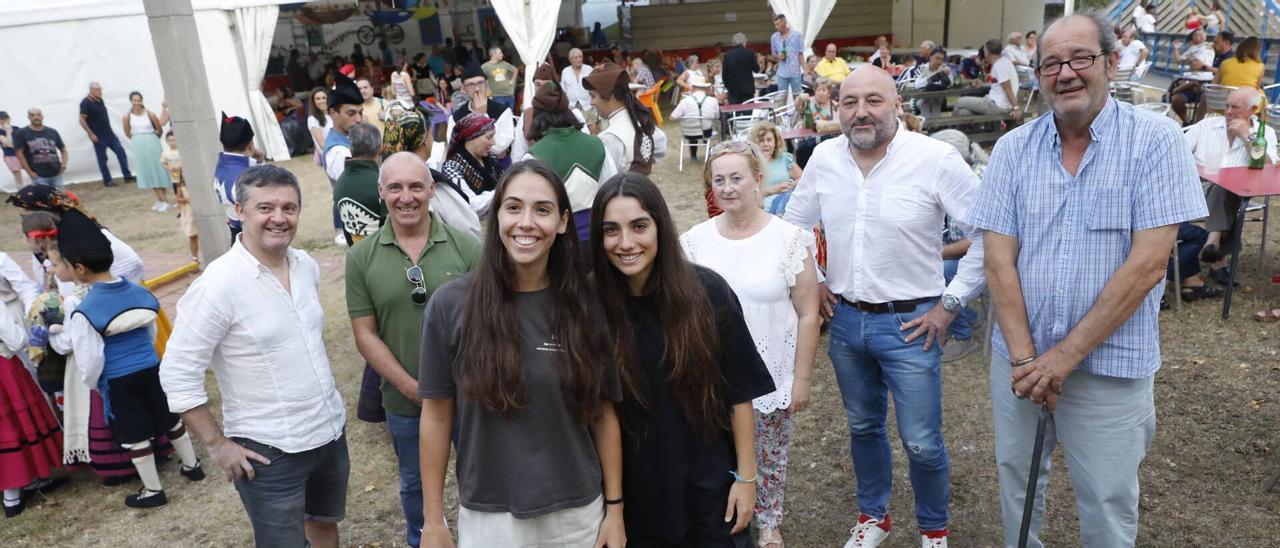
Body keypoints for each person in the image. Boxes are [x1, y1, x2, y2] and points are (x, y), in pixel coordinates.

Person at [966, 14, 1209, 547]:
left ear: (1111, 61)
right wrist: (1030, 358)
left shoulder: (1155, 140)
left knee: (1105, 500)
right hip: (1020, 363)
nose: (1066, 73)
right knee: (1018, 486)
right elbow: (997, 262)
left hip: (1109, 367)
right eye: (1051, 63)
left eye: (1080, 58)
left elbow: (1148, 266)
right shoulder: (1013, 150)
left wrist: (1063, 358)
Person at [782, 65, 987, 548]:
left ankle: (933, 530)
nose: (861, 112)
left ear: (897, 104)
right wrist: (815, 283)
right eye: (849, 102)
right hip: (849, 323)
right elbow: (793, 228)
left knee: (921, 440)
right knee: (863, 426)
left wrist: (951, 303)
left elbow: (987, 235)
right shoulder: (824, 158)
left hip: (913, 323)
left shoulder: (934, 159)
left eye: (874, 100)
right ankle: (874, 517)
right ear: (837, 109)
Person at [418, 160, 625, 548]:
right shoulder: (450, 306)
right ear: (496, 215)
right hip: (490, 517)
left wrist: (615, 510)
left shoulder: (585, 304)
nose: (526, 222)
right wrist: (432, 520)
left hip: (576, 514)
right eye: (513, 207)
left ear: (563, 222)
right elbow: (435, 415)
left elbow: (603, 414)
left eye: (542, 210)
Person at [161, 164, 348, 547]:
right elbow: (178, 373)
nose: (279, 218)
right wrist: (216, 444)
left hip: (328, 432)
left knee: (325, 525)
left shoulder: (306, 266)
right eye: (265, 208)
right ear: (240, 211)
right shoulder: (217, 285)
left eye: (289, 208)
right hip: (269, 452)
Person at [589, 172, 774, 546]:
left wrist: (748, 479)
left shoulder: (708, 292)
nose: (626, 243)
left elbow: (739, 393)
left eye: (639, 226)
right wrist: (613, 505)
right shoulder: (588, 304)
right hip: (630, 490)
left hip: (707, 483)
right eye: (611, 230)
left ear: (660, 225)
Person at [679, 143, 820, 548]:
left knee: (770, 451)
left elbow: (809, 312)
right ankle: (723, 512)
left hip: (770, 371)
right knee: (717, 450)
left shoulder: (789, 239)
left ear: (758, 179)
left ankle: (770, 519)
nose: (727, 188)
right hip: (713, 375)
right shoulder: (695, 242)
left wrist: (801, 379)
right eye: (718, 180)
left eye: (736, 177)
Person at [346, 151, 480, 548]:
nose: (407, 197)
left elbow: (489, 323)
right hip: (404, 404)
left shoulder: (467, 248)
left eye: (416, 186)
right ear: (381, 192)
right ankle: (421, 539)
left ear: (431, 191)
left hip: (469, 398)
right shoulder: (360, 257)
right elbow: (365, 334)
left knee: (480, 477)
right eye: (396, 187)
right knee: (415, 482)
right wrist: (410, 387)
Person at [56, 208, 205, 509]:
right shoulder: (139, 292)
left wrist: (97, 382)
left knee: (134, 433)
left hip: (118, 377)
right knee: (169, 417)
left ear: (80, 268)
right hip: (151, 367)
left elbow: (90, 357)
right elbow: (150, 332)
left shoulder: (85, 308)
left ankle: (153, 489)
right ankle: (192, 465)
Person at [1185, 87, 1277, 287]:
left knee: (1227, 188)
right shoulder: (1208, 125)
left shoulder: (1264, 132)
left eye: (1235, 107)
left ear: (1252, 109)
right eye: (1227, 106)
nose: (1228, 112)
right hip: (1196, 186)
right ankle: (1217, 259)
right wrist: (1198, 168)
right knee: (1226, 190)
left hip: (1235, 191)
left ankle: (1213, 243)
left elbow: (1269, 167)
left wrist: (1247, 137)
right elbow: (1178, 151)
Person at [522, 82, 618, 242]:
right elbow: (612, 189)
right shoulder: (598, 145)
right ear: (568, 112)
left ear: (537, 116)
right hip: (599, 234)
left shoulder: (533, 157)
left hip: (558, 238)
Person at [7, 185, 146, 285]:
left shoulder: (87, 235)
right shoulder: (46, 243)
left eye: (24, 216)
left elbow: (133, 264)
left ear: (44, 213)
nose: (22, 223)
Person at [584, 62, 667, 175]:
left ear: (609, 96)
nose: (591, 102)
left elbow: (607, 178)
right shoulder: (640, 119)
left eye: (593, 96)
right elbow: (660, 144)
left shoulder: (610, 137)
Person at [325, 76, 366, 245]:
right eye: (351, 113)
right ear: (333, 113)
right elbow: (359, 189)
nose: (358, 119)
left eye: (360, 113)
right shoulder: (337, 152)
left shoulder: (350, 137)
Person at [448, 61, 515, 160]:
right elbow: (454, 148)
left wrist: (483, 116)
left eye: (480, 83)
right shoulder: (456, 117)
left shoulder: (503, 111)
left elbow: (498, 147)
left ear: (487, 84)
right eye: (471, 84)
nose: (477, 89)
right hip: (468, 167)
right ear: (463, 89)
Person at [442, 113, 503, 217]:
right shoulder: (452, 167)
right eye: (489, 137)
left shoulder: (491, 158)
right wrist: (504, 189)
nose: (493, 142)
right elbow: (471, 205)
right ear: (471, 138)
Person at [334, 122, 385, 245]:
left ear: (351, 149)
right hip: (383, 253)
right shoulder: (381, 182)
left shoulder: (340, 184)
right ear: (380, 148)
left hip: (356, 255)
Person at [121, 92, 171, 212]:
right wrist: (138, 139)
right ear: (131, 101)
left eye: (139, 100)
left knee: (158, 170)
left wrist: (152, 138)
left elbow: (158, 129)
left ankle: (164, 200)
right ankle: (161, 199)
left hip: (152, 142)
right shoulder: (127, 117)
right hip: (139, 144)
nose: (137, 103)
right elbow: (127, 132)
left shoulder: (150, 114)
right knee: (148, 171)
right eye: (134, 100)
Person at [954, 39, 1022, 122]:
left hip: (995, 105)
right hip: (1000, 104)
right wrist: (983, 84)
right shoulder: (1005, 62)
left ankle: (951, 131)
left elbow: (1007, 88)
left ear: (987, 51)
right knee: (964, 112)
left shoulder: (999, 66)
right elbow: (998, 85)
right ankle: (975, 132)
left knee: (959, 102)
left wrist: (1015, 108)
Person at [213, 113, 258, 240]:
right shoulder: (248, 174)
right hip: (251, 235)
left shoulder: (221, 166)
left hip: (235, 231)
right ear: (251, 144)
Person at [79, 82, 133, 187]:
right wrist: (91, 134)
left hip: (110, 134)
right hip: (98, 136)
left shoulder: (100, 100)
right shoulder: (85, 103)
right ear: (91, 91)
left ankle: (127, 176)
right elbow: (82, 120)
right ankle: (107, 180)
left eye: (100, 89)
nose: (100, 92)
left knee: (121, 152)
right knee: (103, 159)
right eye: (98, 90)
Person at [748, 122, 802, 216]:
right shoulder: (751, 164)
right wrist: (771, 190)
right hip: (764, 210)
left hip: (787, 205)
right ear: (755, 143)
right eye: (761, 141)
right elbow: (748, 195)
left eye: (769, 140)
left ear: (775, 142)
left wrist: (790, 185)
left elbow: (804, 179)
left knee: (788, 195)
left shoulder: (784, 159)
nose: (765, 144)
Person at [161, 131, 198, 263]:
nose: (172, 142)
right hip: (189, 212)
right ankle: (195, 257)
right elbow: (179, 198)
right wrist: (188, 200)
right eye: (169, 139)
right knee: (192, 235)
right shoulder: (182, 186)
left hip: (198, 212)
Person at [1168, 29, 1217, 123]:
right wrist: (1176, 49)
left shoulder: (1209, 45)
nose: (1201, 36)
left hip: (1205, 80)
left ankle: (1197, 123)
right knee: (1177, 96)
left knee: (1179, 87)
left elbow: (1197, 63)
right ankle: (1187, 122)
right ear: (1193, 39)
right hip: (1194, 78)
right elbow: (1179, 60)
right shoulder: (1192, 49)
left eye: (1203, 33)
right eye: (1198, 35)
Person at [670, 75, 720, 163]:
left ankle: (693, 156)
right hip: (706, 133)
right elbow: (717, 117)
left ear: (692, 88)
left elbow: (672, 118)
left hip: (688, 133)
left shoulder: (685, 101)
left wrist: (684, 118)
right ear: (706, 88)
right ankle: (709, 151)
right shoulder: (713, 101)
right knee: (707, 126)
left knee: (695, 131)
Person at [14, 109, 68, 189]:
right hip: (38, 175)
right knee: (43, 200)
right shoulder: (22, 133)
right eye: (33, 115)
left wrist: (63, 165)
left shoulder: (52, 132)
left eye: (38, 115)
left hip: (56, 173)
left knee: (59, 199)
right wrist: (29, 172)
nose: (36, 117)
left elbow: (63, 149)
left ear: (42, 116)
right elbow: (19, 154)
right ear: (29, 117)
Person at [908, 49, 953, 117]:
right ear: (930, 57)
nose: (939, 61)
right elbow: (917, 85)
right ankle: (930, 125)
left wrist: (947, 75)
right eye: (937, 58)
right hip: (919, 98)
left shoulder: (945, 69)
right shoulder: (921, 68)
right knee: (925, 103)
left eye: (942, 59)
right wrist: (935, 75)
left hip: (938, 98)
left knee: (936, 102)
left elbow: (951, 84)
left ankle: (933, 125)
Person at [770, 14, 805, 95]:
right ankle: (782, 108)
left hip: (795, 71)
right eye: (775, 25)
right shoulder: (774, 37)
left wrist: (805, 69)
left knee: (797, 96)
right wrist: (777, 56)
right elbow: (773, 53)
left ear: (784, 22)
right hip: (782, 71)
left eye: (778, 24)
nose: (776, 27)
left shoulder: (797, 35)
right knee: (781, 96)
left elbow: (800, 54)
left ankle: (797, 108)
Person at [723, 33, 761, 105]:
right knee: (748, 113)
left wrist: (727, 86)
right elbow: (756, 69)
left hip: (733, 89)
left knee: (735, 113)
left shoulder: (727, 55)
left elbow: (724, 74)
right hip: (747, 89)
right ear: (744, 42)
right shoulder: (750, 52)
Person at [481, 47, 519, 111]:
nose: (502, 55)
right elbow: (479, 77)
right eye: (500, 53)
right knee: (501, 115)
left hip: (510, 94)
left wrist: (512, 80)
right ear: (493, 54)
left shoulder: (504, 63)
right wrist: (486, 89)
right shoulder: (485, 66)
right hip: (497, 95)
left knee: (510, 115)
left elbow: (516, 70)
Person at [562, 48, 595, 113]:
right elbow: (564, 89)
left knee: (592, 123)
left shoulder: (589, 69)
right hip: (572, 106)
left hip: (588, 104)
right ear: (570, 60)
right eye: (576, 57)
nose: (579, 59)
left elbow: (595, 86)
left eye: (580, 57)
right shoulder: (565, 71)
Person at [306, 87, 332, 160]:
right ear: (313, 102)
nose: (322, 101)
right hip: (328, 155)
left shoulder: (333, 115)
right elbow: (322, 144)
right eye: (318, 99)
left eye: (324, 98)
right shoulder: (312, 119)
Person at [0, 111, 23, 190]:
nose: (4, 120)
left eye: (6, 118)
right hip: (11, 156)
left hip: (22, 154)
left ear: (9, 118)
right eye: (1, 119)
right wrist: (8, 131)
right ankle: (21, 195)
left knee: (32, 171)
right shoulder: (0, 132)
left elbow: (24, 140)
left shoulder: (17, 128)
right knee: (18, 176)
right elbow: (8, 144)